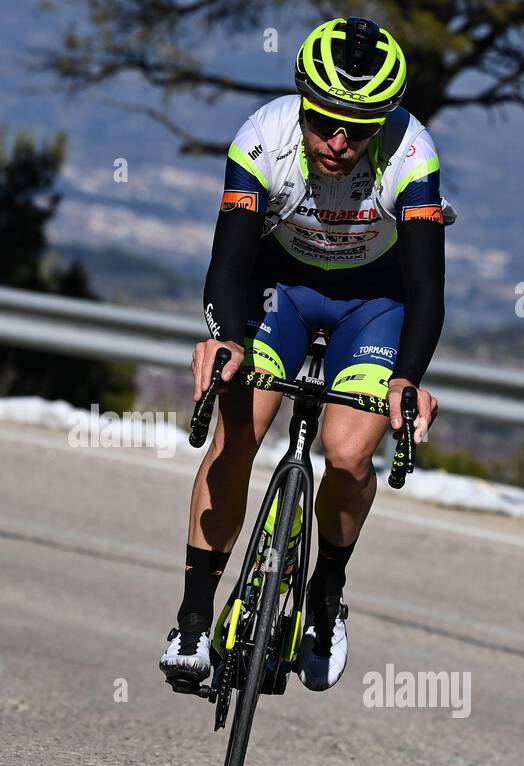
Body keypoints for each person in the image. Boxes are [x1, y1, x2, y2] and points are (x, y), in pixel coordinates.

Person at [160, 16, 452, 691]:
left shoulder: (414, 155)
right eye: (325, 123)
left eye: (360, 127)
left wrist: (407, 380)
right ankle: (194, 619)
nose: (340, 142)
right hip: (279, 291)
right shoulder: (263, 137)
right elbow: (227, 265)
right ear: (303, 106)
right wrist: (227, 338)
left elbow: (428, 290)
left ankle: (326, 593)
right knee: (237, 436)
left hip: (374, 303)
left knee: (349, 453)